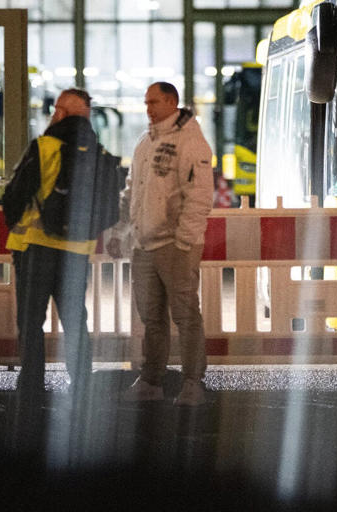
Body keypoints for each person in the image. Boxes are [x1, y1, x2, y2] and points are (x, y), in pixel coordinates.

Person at [108, 82, 214, 406]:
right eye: (146, 103)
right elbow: (132, 192)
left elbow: (199, 197)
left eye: (153, 102)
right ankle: (153, 381)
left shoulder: (190, 141)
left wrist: (183, 241)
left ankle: (192, 382)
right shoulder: (146, 141)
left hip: (172, 244)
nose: (148, 109)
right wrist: (124, 231)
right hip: (146, 244)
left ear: (172, 101)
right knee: (152, 317)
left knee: (184, 315)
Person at [4, 88, 99, 408]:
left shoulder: (44, 147)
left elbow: (14, 198)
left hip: (37, 247)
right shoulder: (97, 152)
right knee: (75, 319)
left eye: (57, 109)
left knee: (31, 320)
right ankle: (83, 383)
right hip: (77, 251)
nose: (53, 113)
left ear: (61, 113)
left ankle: (31, 385)